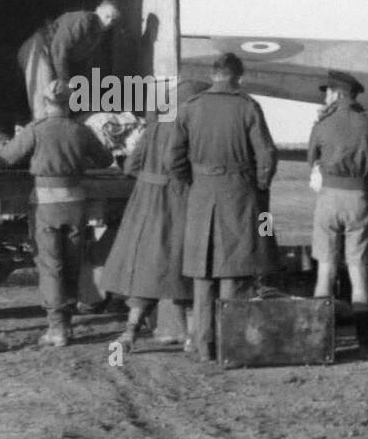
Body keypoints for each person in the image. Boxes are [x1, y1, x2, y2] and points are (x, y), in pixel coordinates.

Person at [168, 53, 278, 361]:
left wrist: (193, 181)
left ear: (214, 75)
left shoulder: (190, 108)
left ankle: (204, 347)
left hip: (201, 195)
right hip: (239, 194)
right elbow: (267, 155)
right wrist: (260, 185)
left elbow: (172, 159)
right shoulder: (248, 107)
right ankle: (232, 346)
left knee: (202, 275)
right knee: (235, 271)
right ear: (238, 77)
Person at [0, 80, 114, 345]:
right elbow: (105, 160)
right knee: (71, 262)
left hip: (46, 205)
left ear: (46, 103)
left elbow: (1, 160)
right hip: (75, 204)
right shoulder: (80, 130)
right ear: (70, 103)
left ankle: (57, 328)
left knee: (50, 264)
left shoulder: (35, 130)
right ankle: (67, 324)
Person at [102, 78, 207, 350]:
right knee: (183, 268)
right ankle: (192, 337)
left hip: (144, 203)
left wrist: (150, 181)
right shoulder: (191, 127)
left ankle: (129, 332)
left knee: (145, 271)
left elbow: (130, 167)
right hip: (177, 201)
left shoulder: (155, 125)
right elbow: (184, 168)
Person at [306, 68, 368, 357]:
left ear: (337, 94)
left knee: (325, 271)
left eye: (327, 91)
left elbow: (311, 158)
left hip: (329, 197)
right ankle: (366, 342)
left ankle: (320, 343)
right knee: (358, 272)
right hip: (359, 198)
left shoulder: (323, 123)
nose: (325, 96)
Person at [18, 0, 120, 120]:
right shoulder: (84, 20)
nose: (108, 22)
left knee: (58, 104)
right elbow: (58, 48)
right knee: (46, 106)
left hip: (50, 58)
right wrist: (66, 81)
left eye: (112, 20)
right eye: (107, 16)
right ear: (98, 10)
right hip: (39, 51)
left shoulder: (97, 35)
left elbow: (82, 65)